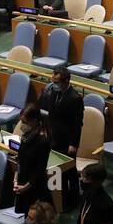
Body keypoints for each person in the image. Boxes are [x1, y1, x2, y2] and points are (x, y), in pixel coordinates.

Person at [39, 67, 82, 207]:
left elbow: (77, 124)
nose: (54, 85)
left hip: (67, 141)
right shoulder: (52, 93)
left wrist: (74, 144)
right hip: (54, 138)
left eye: (57, 82)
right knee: (56, 170)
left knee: (70, 171)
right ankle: (60, 199)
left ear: (67, 81)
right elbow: (48, 115)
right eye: (53, 81)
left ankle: (75, 199)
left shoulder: (75, 98)